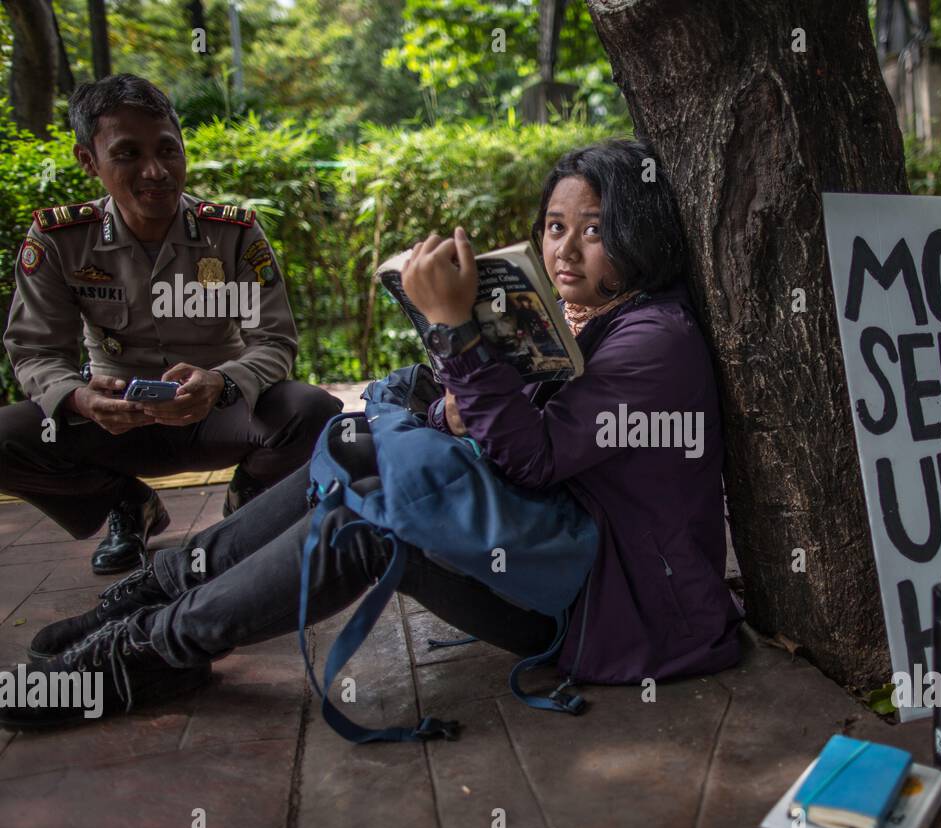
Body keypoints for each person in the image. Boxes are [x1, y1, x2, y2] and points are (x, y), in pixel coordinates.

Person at [0, 137, 744, 732]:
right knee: (352, 449)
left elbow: (534, 455)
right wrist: (455, 396)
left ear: (638, 234)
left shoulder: (656, 342)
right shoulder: (591, 319)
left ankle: (152, 651)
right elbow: (492, 432)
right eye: (555, 227)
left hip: (616, 610)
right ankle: (155, 591)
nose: (566, 251)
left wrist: (457, 336)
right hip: (553, 550)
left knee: (364, 526)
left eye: (594, 230)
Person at [0, 74, 342, 578]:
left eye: (168, 150)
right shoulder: (59, 240)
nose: (156, 171)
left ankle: (246, 507)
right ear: (88, 161)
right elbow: (36, 351)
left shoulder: (233, 233)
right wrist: (79, 399)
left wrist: (222, 383)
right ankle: (127, 504)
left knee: (313, 412)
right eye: (128, 154)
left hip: (217, 411)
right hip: (113, 421)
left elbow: (272, 341)